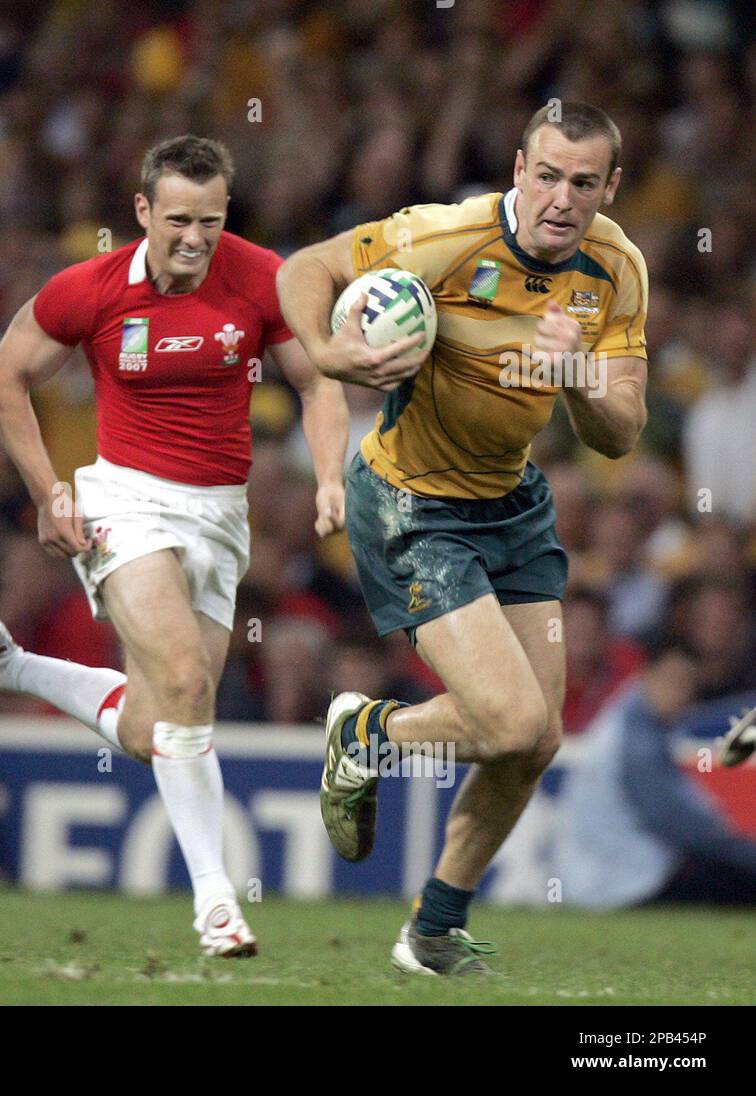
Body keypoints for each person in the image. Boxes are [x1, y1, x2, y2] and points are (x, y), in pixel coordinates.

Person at [0, 135, 350, 957]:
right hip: (126, 500)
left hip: (222, 516)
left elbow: (317, 379)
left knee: (156, 724)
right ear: (144, 211)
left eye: (212, 222)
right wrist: (52, 490)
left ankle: (10, 667)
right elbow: (5, 379)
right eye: (180, 221)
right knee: (190, 686)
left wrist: (330, 474)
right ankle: (216, 905)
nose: (196, 239)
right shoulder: (88, 288)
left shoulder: (263, 277)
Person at [278, 101, 650, 974]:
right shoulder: (443, 238)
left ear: (611, 186)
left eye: (584, 182)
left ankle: (432, 932)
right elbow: (307, 268)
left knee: (536, 738)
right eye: (548, 175)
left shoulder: (617, 268)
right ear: (519, 168)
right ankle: (366, 733)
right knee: (507, 717)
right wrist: (326, 357)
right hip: (411, 503)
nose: (563, 198)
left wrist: (581, 379)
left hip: (511, 504)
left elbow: (621, 433)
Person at [554, 639, 756, 907]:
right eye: (672, 681)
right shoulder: (636, 739)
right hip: (625, 882)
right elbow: (676, 822)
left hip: (602, 873)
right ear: (645, 675)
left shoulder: (627, 717)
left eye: (687, 685)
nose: (680, 694)